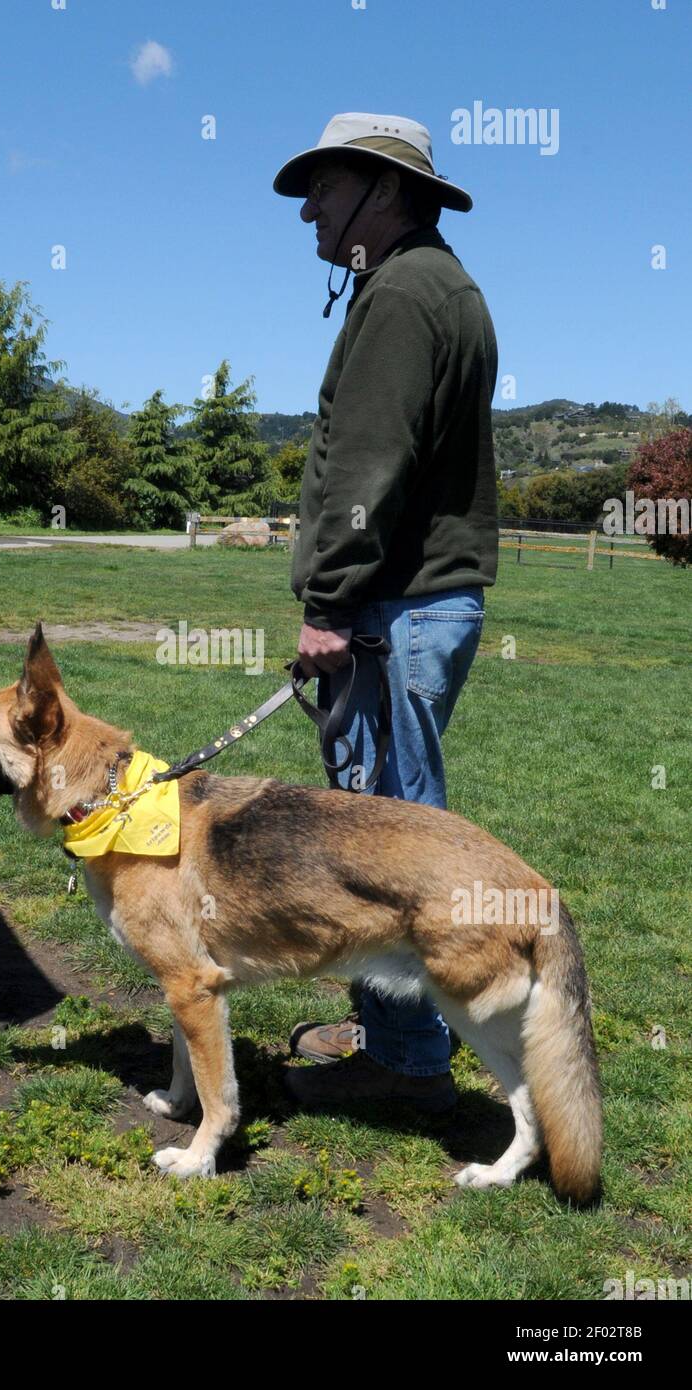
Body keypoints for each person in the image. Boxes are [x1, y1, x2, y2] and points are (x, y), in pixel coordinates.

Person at [273, 114, 499, 1112]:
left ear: (383, 189)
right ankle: (400, 1034)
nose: (309, 208)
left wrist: (328, 603)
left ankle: (410, 1058)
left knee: (386, 844)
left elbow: (369, 468)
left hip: (389, 611)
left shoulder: (404, 294)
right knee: (389, 831)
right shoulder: (424, 283)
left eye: (322, 186)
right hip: (404, 607)